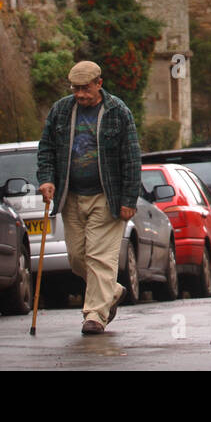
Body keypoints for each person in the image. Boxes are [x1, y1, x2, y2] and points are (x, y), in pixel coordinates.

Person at [36, 61, 142, 335]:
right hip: (70, 195)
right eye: (76, 89)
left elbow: (131, 158)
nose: (80, 94)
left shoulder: (118, 112)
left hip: (106, 196)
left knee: (98, 257)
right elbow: (46, 148)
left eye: (85, 89)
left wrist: (129, 199)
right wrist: (47, 179)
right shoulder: (61, 110)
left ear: (99, 83)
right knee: (77, 257)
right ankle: (112, 290)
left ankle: (94, 315)